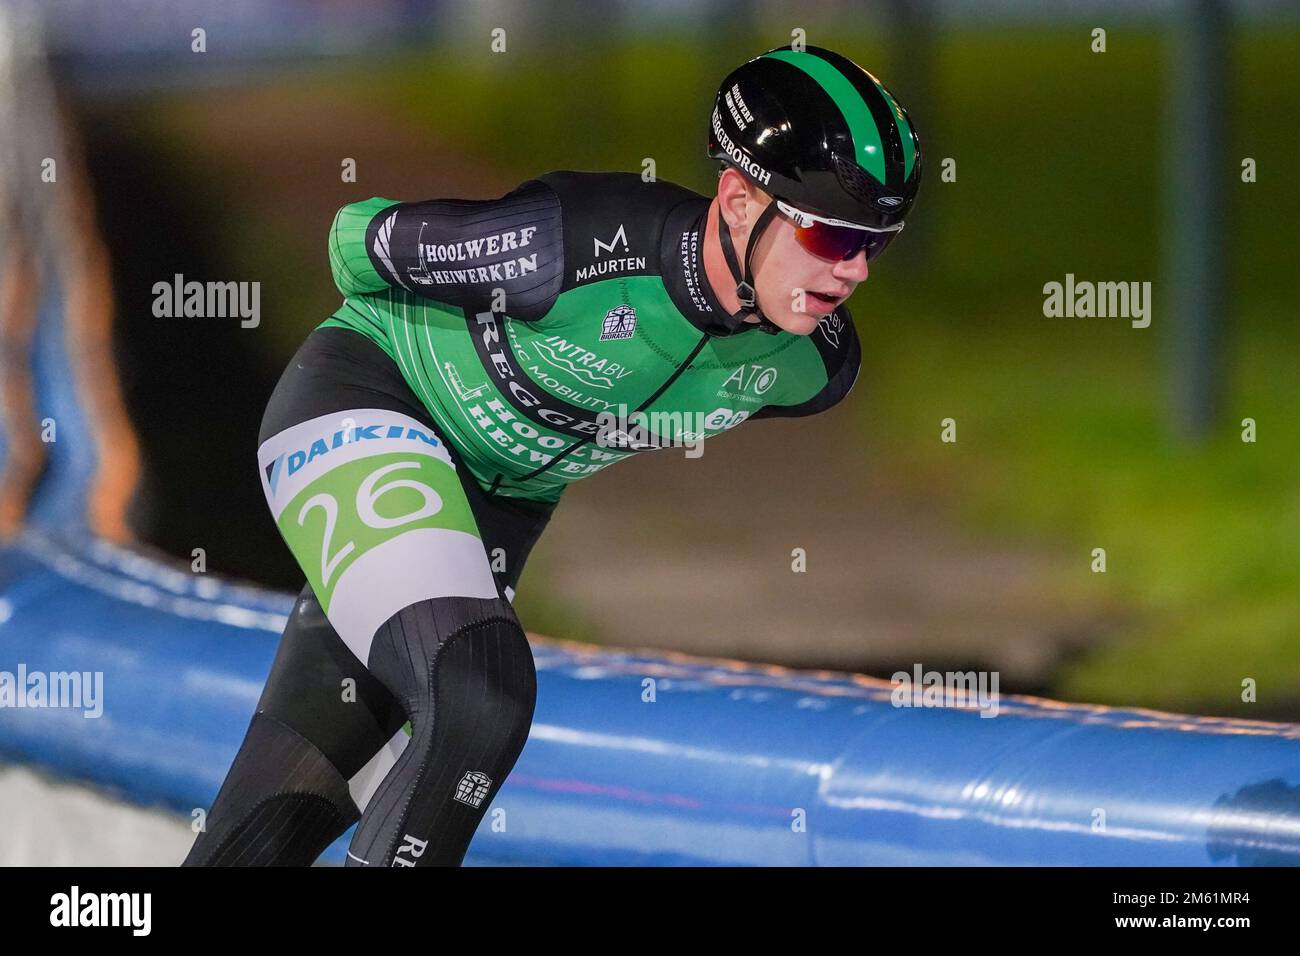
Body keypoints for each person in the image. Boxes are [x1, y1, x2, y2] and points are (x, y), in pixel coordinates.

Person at [182, 42, 922, 867]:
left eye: (877, 242)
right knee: (478, 698)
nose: (854, 269)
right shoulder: (571, 246)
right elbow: (353, 245)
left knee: (273, 822)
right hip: (372, 398)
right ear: (740, 199)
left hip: (496, 508)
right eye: (828, 235)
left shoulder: (812, 367)